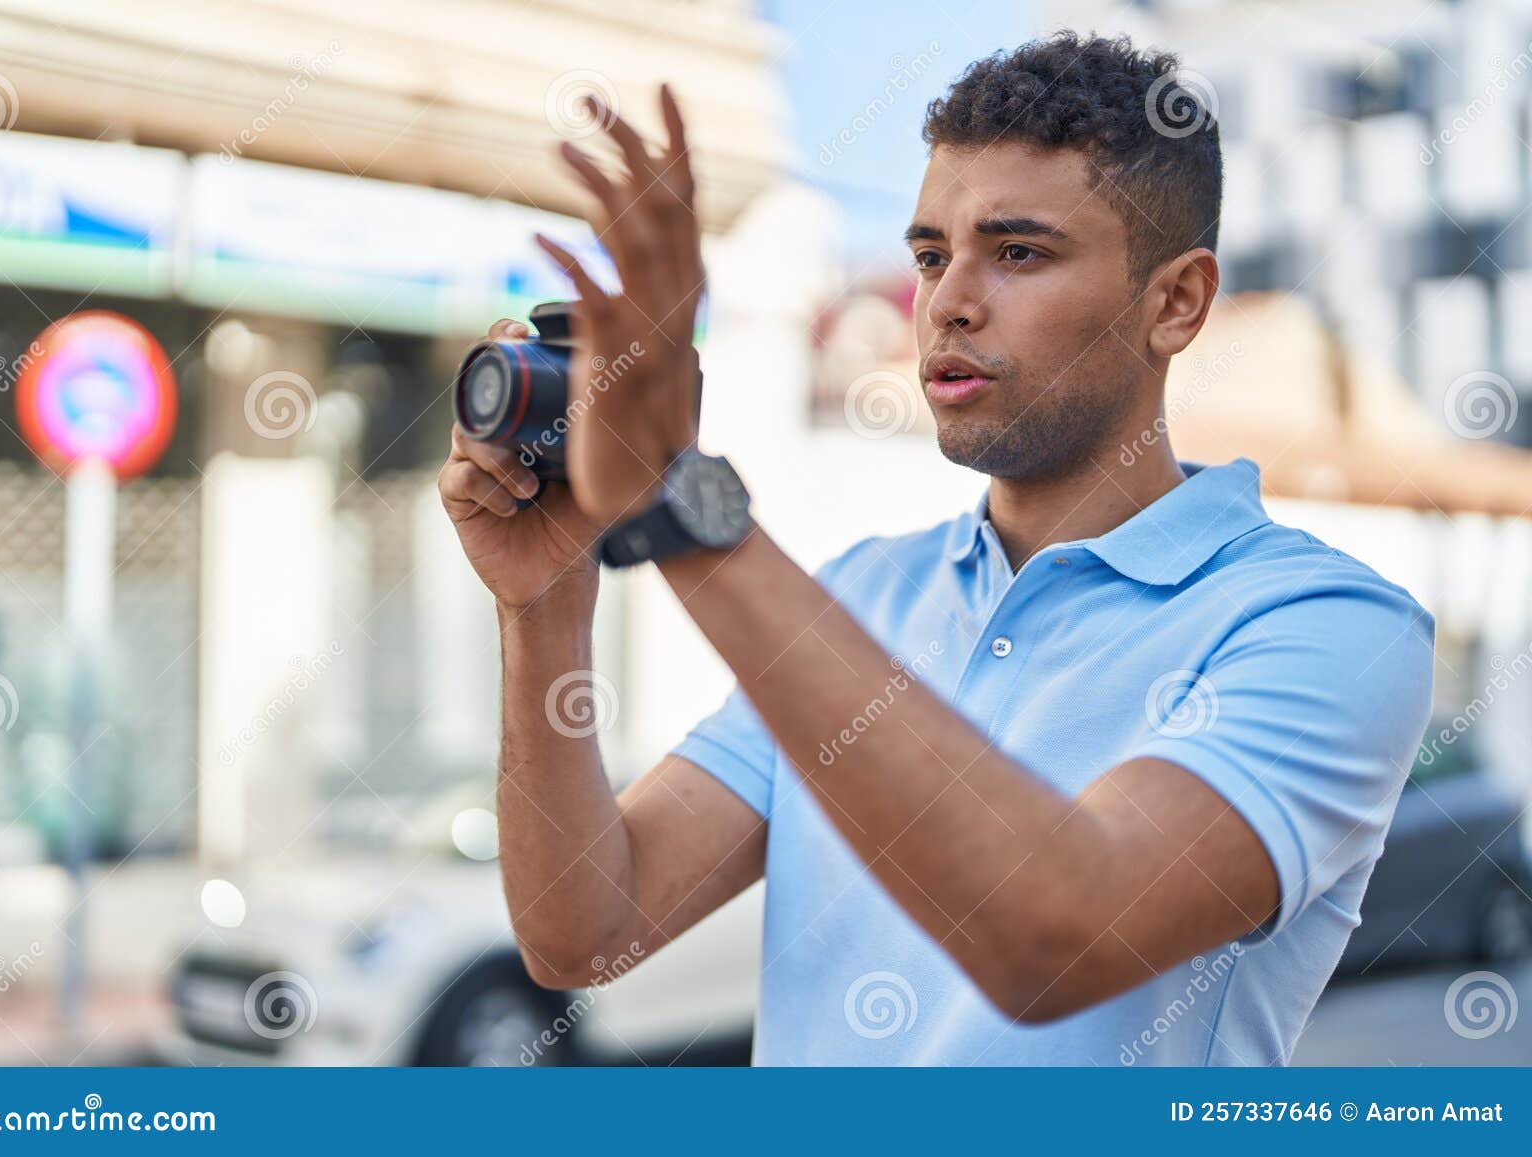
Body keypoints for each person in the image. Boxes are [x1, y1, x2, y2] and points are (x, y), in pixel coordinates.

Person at [437, 32, 1435, 1065]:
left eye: (1017, 252)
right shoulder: (861, 596)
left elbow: (1054, 933)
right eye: (928, 254)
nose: (946, 301)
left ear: (1175, 301)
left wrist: (681, 513)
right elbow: (583, 929)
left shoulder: (1324, 625)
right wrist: (544, 600)